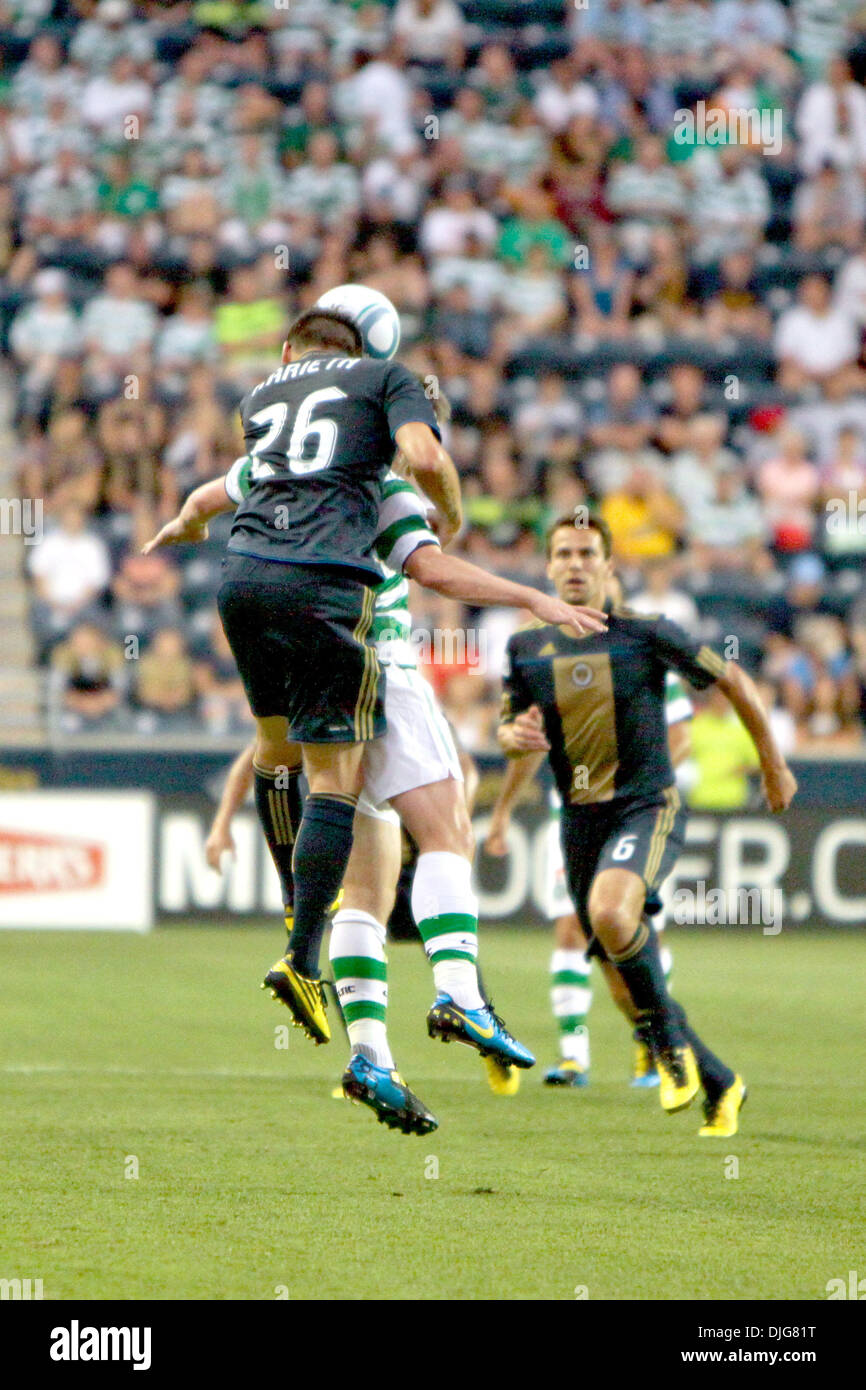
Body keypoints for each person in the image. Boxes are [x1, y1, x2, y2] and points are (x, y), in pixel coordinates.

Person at [146, 413, 606, 1134]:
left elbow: (208, 495)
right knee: (447, 829)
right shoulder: (378, 486)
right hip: (381, 663)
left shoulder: (274, 473)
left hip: (310, 678)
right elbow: (435, 568)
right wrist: (531, 597)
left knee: (364, 888)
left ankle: (370, 1057)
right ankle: (459, 992)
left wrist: (179, 524)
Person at [496, 512, 797, 1138]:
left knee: (610, 915)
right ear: (547, 567)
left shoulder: (646, 633)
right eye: (564, 554)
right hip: (577, 821)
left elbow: (733, 680)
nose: (575, 564)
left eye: (587, 553)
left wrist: (773, 766)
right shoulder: (526, 648)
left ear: (608, 565)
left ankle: (667, 1053)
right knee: (621, 976)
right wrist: (510, 732)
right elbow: (511, 725)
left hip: (645, 807)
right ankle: (719, 1080)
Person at [486, 659, 693, 1089]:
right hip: (576, 822)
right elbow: (531, 745)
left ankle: (653, 1043)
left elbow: (681, 738)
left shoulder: (647, 660)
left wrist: (641, 788)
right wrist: (505, 807)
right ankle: (574, 1056)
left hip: (638, 819)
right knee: (571, 931)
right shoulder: (552, 663)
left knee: (636, 931)